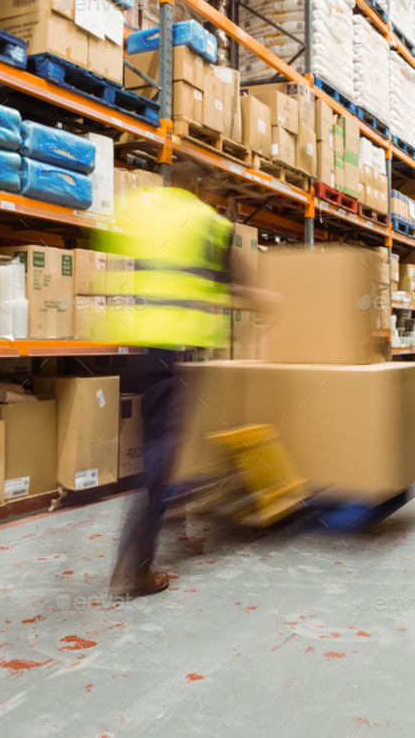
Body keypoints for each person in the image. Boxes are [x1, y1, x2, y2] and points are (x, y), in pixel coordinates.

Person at [100, 184, 234, 597]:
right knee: (161, 451)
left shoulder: (141, 209)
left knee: (156, 445)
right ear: (209, 187)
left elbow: (113, 259)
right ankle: (136, 566)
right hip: (171, 346)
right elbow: (230, 281)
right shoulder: (210, 222)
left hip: (136, 343)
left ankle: (167, 515)